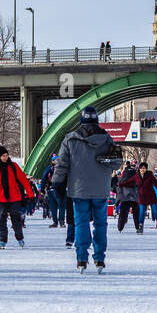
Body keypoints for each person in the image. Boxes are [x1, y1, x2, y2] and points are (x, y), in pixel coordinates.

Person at [51, 105, 120, 272]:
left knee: (81, 222)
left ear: (81, 120)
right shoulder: (106, 138)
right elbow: (116, 162)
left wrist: (57, 183)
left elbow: (62, 165)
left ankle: (81, 258)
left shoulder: (70, 139)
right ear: (96, 120)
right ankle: (100, 258)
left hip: (78, 189)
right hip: (101, 189)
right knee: (100, 224)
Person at [0, 145, 35, 247]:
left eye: (6, 155)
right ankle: (2, 240)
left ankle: (19, 237)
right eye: (3, 156)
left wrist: (30, 194)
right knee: (1, 219)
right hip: (0, 198)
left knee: (15, 217)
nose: (5, 157)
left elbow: (24, 180)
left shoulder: (13, 166)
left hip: (14, 197)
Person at [115, 160, 142, 233]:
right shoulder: (136, 176)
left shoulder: (123, 178)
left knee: (123, 212)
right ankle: (138, 227)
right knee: (136, 213)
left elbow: (119, 190)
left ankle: (120, 227)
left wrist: (117, 202)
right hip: (134, 197)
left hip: (125, 198)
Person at [41, 155, 63, 227]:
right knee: (55, 206)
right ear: (52, 161)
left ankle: (60, 221)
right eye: (55, 160)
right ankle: (57, 222)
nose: (57, 161)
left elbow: (44, 178)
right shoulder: (51, 169)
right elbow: (44, 179)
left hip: (58, 190)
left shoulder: (62, 168)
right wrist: (42, 190)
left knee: (60, 206)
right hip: (53, 190)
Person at [137, 163, 157, 231]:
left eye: (144, 168)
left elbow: (156, 184)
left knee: (155, 211)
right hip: (142, 197)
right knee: (141, 212)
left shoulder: (150, 175)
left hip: (151, 196)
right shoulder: (137, 176)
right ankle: (140, 227)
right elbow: (131, 182)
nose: (142, 169)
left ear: (146, 169)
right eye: (141, 168)